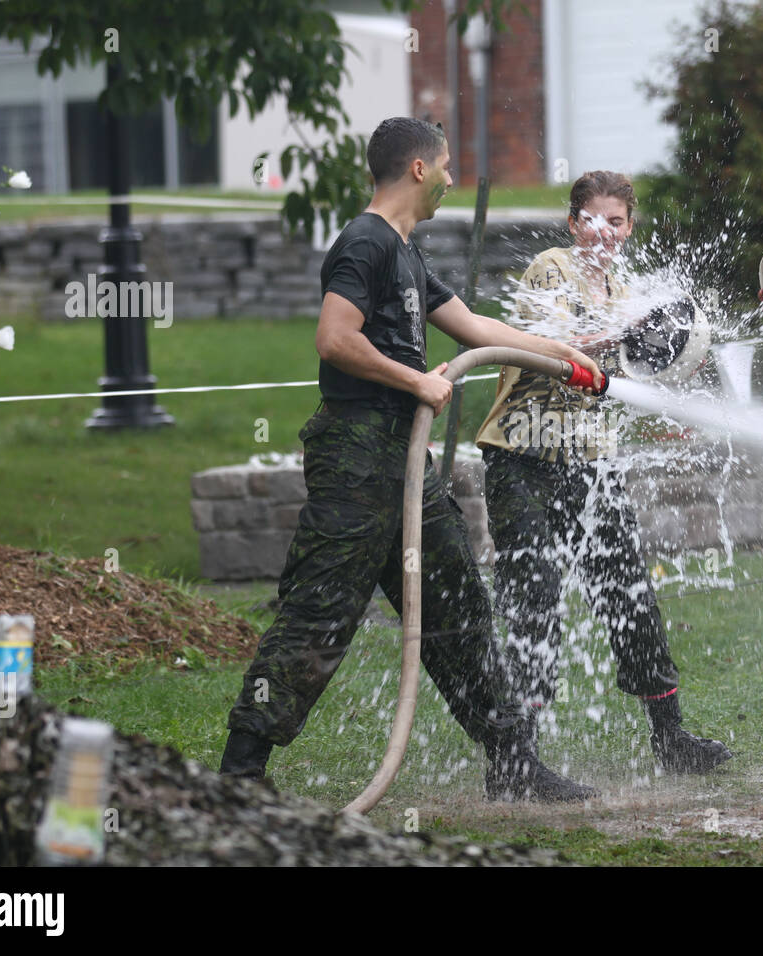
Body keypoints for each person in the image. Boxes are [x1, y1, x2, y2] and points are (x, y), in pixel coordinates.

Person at [219, 117, 605, 803]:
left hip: (403, 463)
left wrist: (559, 351)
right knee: (319, 612)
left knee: (458, 600)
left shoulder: (405, 251)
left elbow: (477, 328)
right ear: (419, 169)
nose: (454, 177)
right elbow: (334, 339)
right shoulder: (363, 243)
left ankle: (513, 763)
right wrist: (417, 382)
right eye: (448, 164)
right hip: (356, 458)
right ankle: (241, 774)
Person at [474, 170, 733, 778]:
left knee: (629, 593)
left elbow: (631, 371)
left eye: (616, 221)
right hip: (522, 459)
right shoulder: (551, 268)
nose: (604, 231)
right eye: (592, 218)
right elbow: (556, 346)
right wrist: (630, 332)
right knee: (532, 594)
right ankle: (517, 758)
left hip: (589, 462)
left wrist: (676, 371)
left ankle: (670, 737)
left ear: (629, 228)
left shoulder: (625, 288)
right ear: (573, 223)